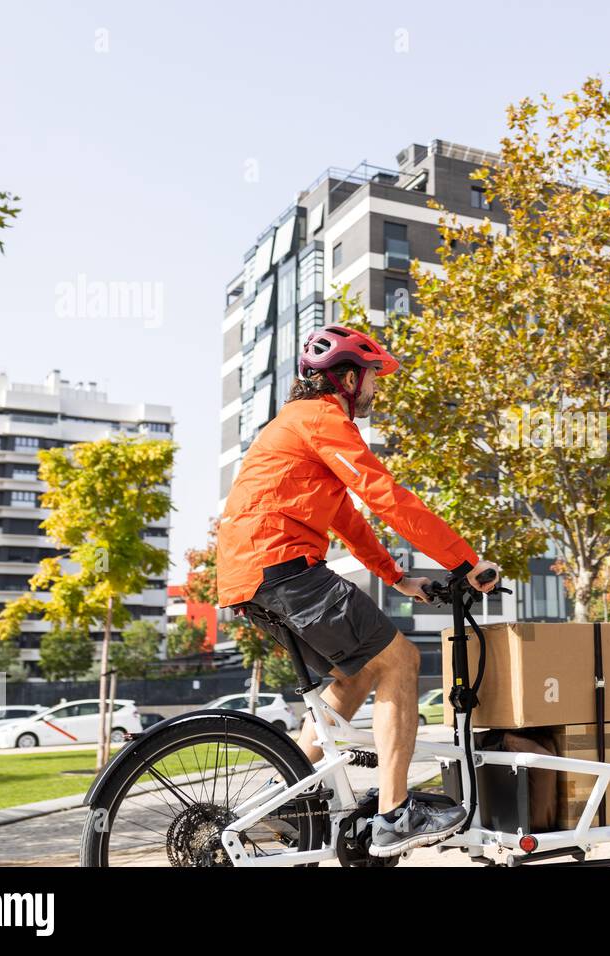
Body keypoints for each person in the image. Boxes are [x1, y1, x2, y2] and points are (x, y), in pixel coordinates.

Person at [216, 324, 500, 858]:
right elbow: (385, 496)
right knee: (402, 661)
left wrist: (396, 577)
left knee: (359, 670)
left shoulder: (297, 425)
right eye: (372, 378)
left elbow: (347, 515)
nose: (375, 390)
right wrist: (465, 561)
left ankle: (289, 800)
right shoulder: (321, 418)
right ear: (346, 379)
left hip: (254, 574)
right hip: (283, 567)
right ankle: (395, 815)